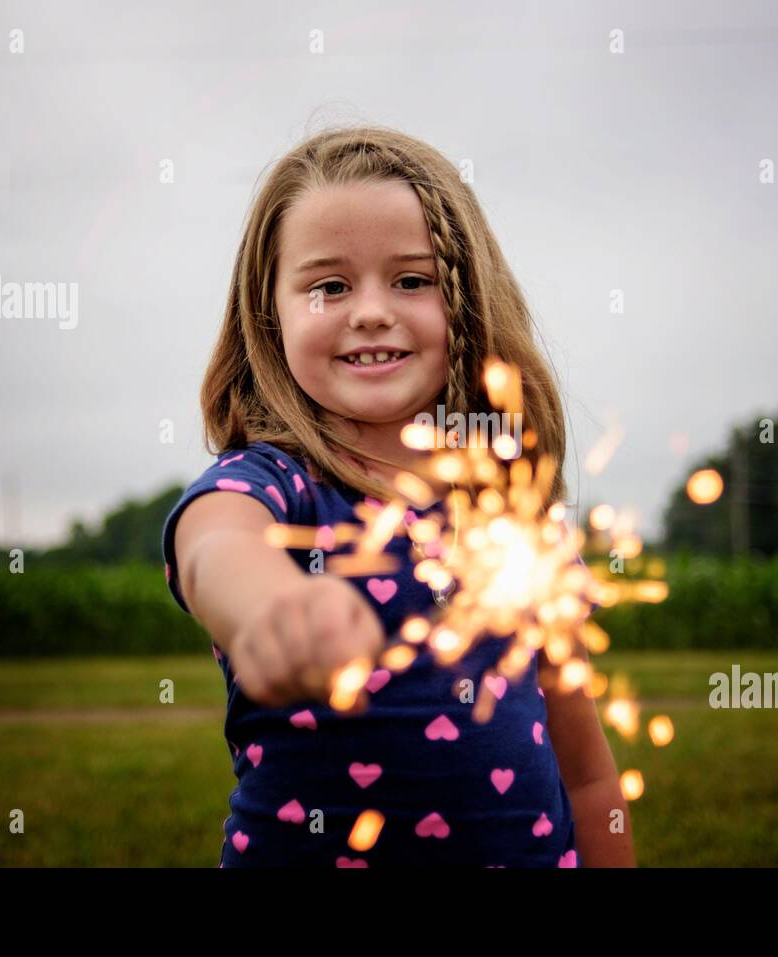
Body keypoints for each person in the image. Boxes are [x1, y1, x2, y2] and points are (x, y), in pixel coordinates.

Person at [160, 124, 635, 867]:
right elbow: (214, 544)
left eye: (411, 280)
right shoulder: (273, 484)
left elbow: (590, 773)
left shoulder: (511, 508)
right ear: (268, 312)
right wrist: (268, 604)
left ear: (466, 300)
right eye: (329, 286)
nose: (372, 310)